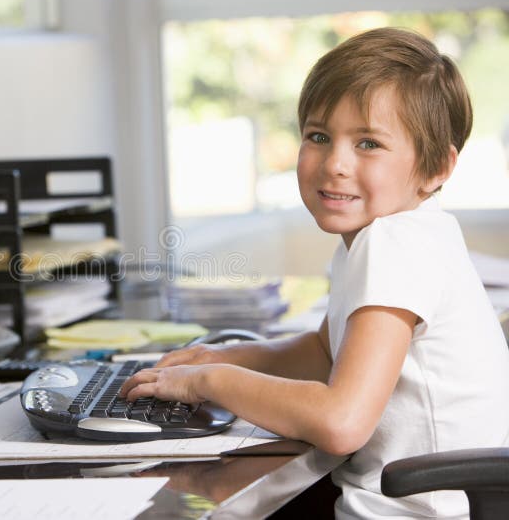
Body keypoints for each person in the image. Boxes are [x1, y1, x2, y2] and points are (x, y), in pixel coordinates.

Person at [120, 27, 509, 518]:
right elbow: (326, 350)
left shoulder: (396, 245)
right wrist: (221, 357)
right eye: (318, 136)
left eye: (368, 143)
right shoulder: (395, 236)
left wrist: (210, 382)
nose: (335, 164)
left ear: (436, 168)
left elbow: (341, 422)